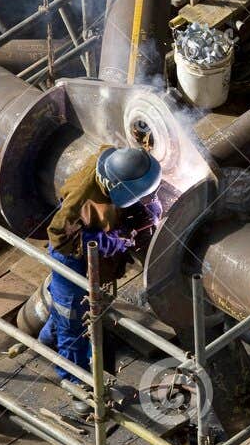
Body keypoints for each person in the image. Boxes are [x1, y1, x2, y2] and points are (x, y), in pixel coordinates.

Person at [39, 145, 163, 373]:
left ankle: (46, 339)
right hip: (69, 255)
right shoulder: (77, 205)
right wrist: (114, 241)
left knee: (67, 313)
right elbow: (60, 237)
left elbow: (133, 179)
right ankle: (74, 381)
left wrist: (147, 206)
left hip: (94, 234)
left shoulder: (116, 162)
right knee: (72, 320)